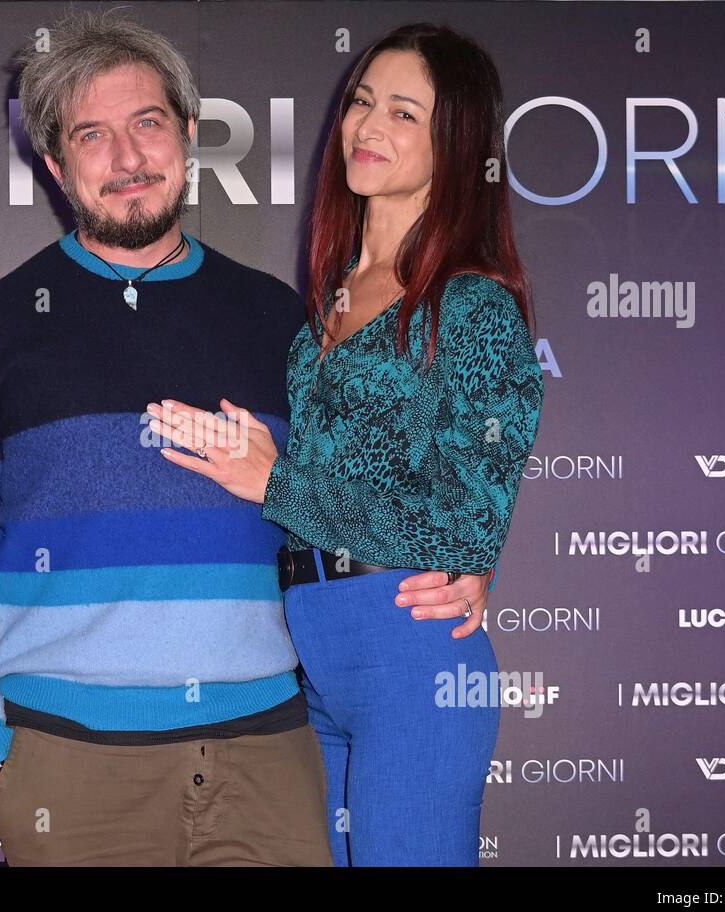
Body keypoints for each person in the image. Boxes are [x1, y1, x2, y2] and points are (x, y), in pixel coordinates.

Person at [0, 9, 493, 866]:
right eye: (92, 135)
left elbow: (375, 486)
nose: (127, 158)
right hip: (70, 768)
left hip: (272, 762)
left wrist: (463, 558)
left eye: (147, 124)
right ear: (54, 161)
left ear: (187, 133)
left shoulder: (286, 324)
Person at [147, 22, 544, 866]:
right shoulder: (330, 296)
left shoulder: (471, 307)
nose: (369, 126)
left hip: (408, 651)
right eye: (363, 102)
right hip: (305, 652)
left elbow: (462, 525)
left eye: (406, 113)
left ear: (457, 141)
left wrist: (277, 483)